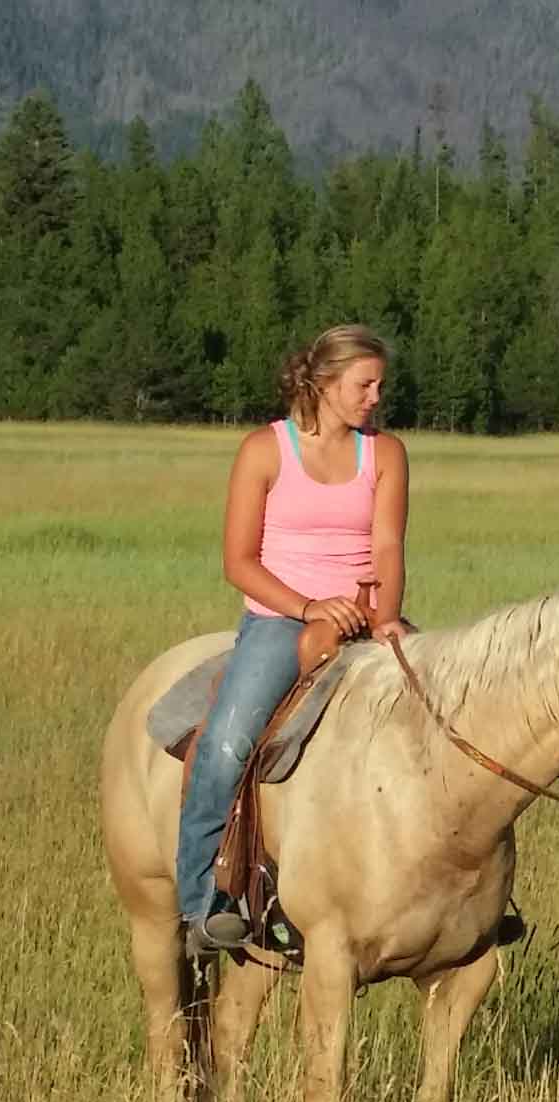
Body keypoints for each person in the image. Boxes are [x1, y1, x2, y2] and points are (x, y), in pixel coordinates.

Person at [176, 324, 412, 951]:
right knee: (227, 742)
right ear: (324, 382)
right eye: (364, 384)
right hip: (282, 620)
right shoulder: (264, 450)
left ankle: (461, 899)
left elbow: (387, 544)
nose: (375, 397)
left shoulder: (385, 454)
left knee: (442, 716)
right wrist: (310, 608)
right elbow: (240, 562)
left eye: (380, 385)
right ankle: (202, 901)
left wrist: (386, 614)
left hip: (367, 617)